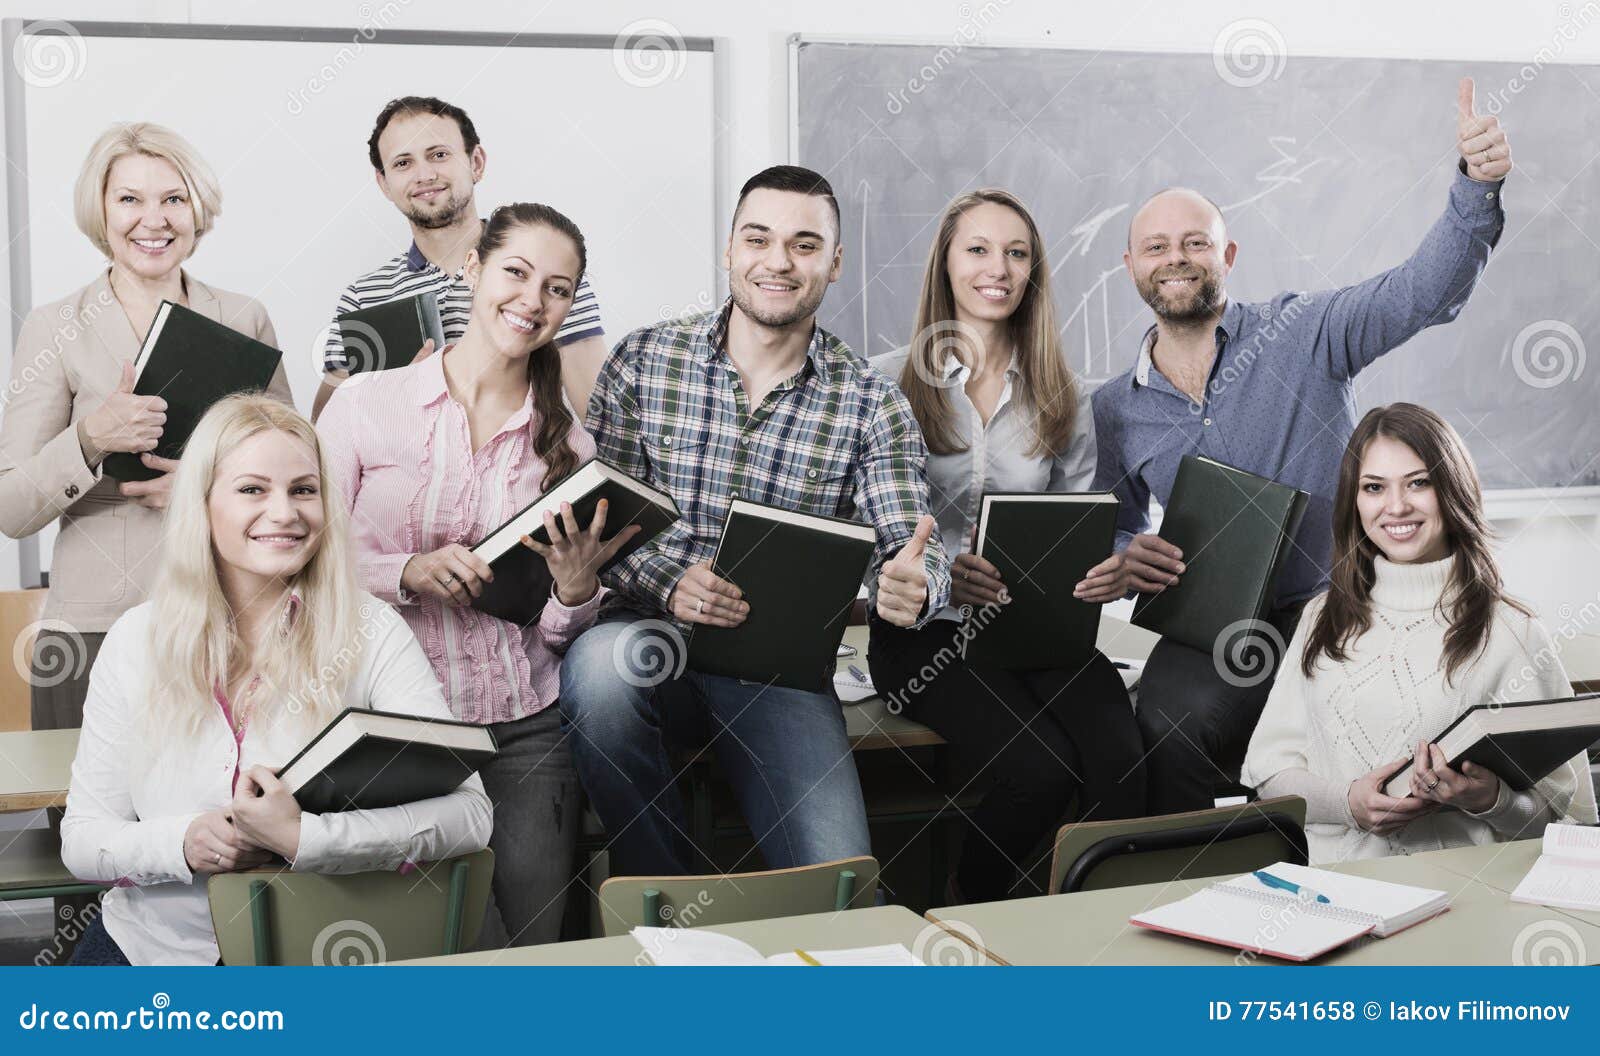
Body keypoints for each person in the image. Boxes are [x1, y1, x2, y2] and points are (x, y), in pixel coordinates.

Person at [1092, 78, 1512, 813]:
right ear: (1130, 266)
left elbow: (1422, 291)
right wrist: (1127, 559)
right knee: (1164, 728)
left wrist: (1477, 187)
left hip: (1345, 605)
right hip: (1216, 627)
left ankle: (1328, 878)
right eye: (1156, 247)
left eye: (1195, 242)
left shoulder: (1306, 333)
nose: (1176, 258)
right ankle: (1210, 897)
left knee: (1372, 732)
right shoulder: (1113, 408)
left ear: (1227, 253)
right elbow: (1117, 524)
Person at [559, 165, 951, 877]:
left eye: (805, 245)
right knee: (599, 674)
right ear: (730, 251)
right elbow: (599, 518)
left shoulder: (871, 402)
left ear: (834, 263)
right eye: (759, 238)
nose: (778, 261)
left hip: (780, 674)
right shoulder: (644, 360)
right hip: (649, 637)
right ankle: (669, 908)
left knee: (839, 883)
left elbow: (910, 543)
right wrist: (673, 580)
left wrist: (918, 587)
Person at [59, 394, 491, 965]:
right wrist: (184, 842)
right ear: (203, 503)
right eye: (252, 489)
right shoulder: (136, 640)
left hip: (317, 952)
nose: (285, 512)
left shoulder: (373, 629)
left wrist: (304, 838)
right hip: (150, 952)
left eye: (303, 490)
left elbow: (470, 815)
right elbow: (84, 838)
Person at [317, 202, 628, 946]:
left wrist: (576, 592)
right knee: (428, 944)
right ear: (473, 269)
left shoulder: (571, 449)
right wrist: (405, 571)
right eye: (516, 273)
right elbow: (300, 563)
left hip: (524, 730)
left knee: (528, 946)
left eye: (557, 288)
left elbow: (555, 634)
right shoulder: (366, 405)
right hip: (393, 726)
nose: (532, 300)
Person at [868, 189, 1144, 903]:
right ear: (947, 264)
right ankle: (969, 912)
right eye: (980, 250)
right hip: (924, 636)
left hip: (1032, 626)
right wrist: (922, 580)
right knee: (1040, 769)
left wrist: (1101, 568)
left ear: (1033, 273)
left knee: (1121, 755)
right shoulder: (884, 381)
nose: (1000, 268)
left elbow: (1078, 522)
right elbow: (854, 530)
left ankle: (1098, 929)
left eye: (1017, 253)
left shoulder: (1064, 392)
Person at [0, 122, 291, 732]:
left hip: (228, 620)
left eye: (173, 199)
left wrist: (207, 487)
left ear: (197, 208)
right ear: (100, 210)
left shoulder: (244, 318)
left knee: (223, 821)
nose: (152, 220)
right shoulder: (54, 327)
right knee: (87, 826)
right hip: (91, 629)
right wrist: (89, 439)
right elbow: (11, 508)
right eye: (129, 199)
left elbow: (296, 475)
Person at [1242, 403, 1597, 862]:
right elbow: (1272, 775)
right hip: (1337, 897)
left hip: (1461, 902)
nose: (1396, 506)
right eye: (1374, 488)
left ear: (1452, 490)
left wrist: (1492, 800)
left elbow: (1563, 823)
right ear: (1356, 500)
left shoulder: (1514, 631)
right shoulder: (1321, 617)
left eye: (1419, 482)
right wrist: (1349, 803)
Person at [311, 96, 607, 421]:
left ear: (475, 162)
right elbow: (327, 433)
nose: (424, 175)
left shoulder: (545, 274)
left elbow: (600, 422)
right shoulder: (364, 298)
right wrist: (387, 394)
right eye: (402, 163)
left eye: (438, 155)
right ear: (384, 183)